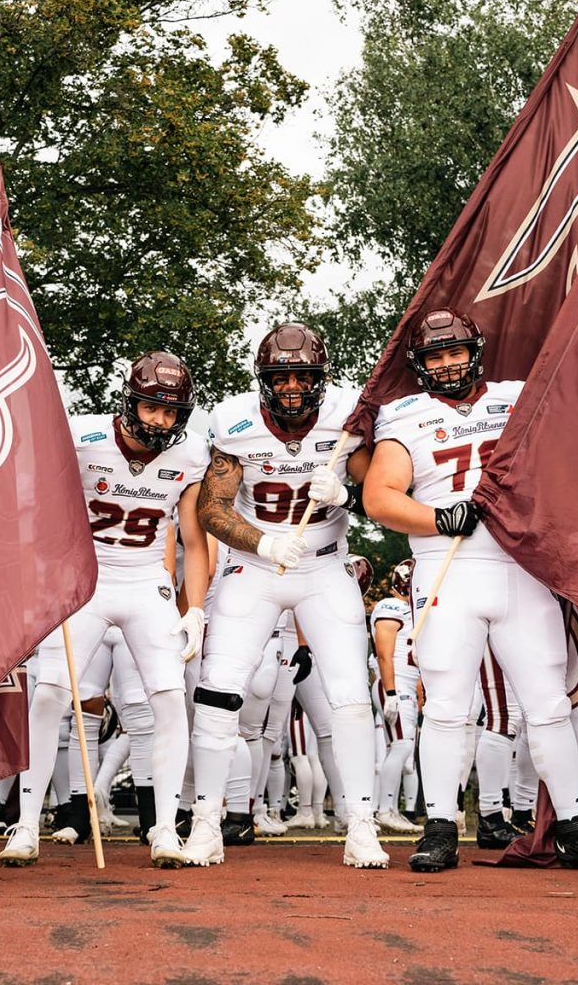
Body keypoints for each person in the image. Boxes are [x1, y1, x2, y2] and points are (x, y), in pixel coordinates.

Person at [360, 309, 578, 874]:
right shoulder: (405, 415)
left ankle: (573, 827)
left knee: (549, 704)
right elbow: (380, 496)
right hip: (446, 569)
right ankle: (440, 828)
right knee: (448, 707)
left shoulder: (518, 398)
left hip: (520, 567)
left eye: (455, 351)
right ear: (420, 364)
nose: (446, 364)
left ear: (475, 352)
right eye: (435, 356)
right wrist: (438, 517)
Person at [181, 322, 388, 869]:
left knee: (350, 696)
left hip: (325, 567)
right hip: (255, 567)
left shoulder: (347, 417)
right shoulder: (235, 421)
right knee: (218, 692)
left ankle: (361, 824)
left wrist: (346, 494)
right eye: (281, 376)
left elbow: (381, 495)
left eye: (303, 375)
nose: (292, 386)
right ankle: (206, 823)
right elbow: (211, 508)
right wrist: (264, 541)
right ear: (263, 379)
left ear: (322, 377)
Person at [0, 351, 209, 869]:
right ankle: (27, 824)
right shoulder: (82, 436)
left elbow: (194, 540)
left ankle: (165, 828)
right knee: (50, 694)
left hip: (145, 581)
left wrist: (196, 608)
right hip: (84, 580)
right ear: (129, 401)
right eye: (151, 407)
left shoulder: (189, 454)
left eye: (171, 411)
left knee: (168, 699)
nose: (160, 420)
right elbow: (36, 505)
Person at [371, 558, 420, 833]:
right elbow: (384, 654)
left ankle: (390, 809)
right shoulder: (391, 607)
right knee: (400, 747)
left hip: (405, 686)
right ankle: (385, 810)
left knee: (399, 748)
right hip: (395, 685)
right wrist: (391, 692)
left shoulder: (410, 610)